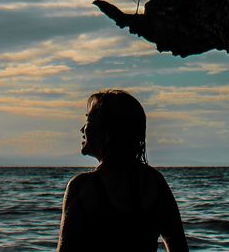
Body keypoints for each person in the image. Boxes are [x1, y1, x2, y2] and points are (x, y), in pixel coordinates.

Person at [57, 90, 188, 251]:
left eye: (89, 120)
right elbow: (179, 248)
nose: (82, 129)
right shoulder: (154, 183)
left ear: (108, 131)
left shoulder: (82, 187)